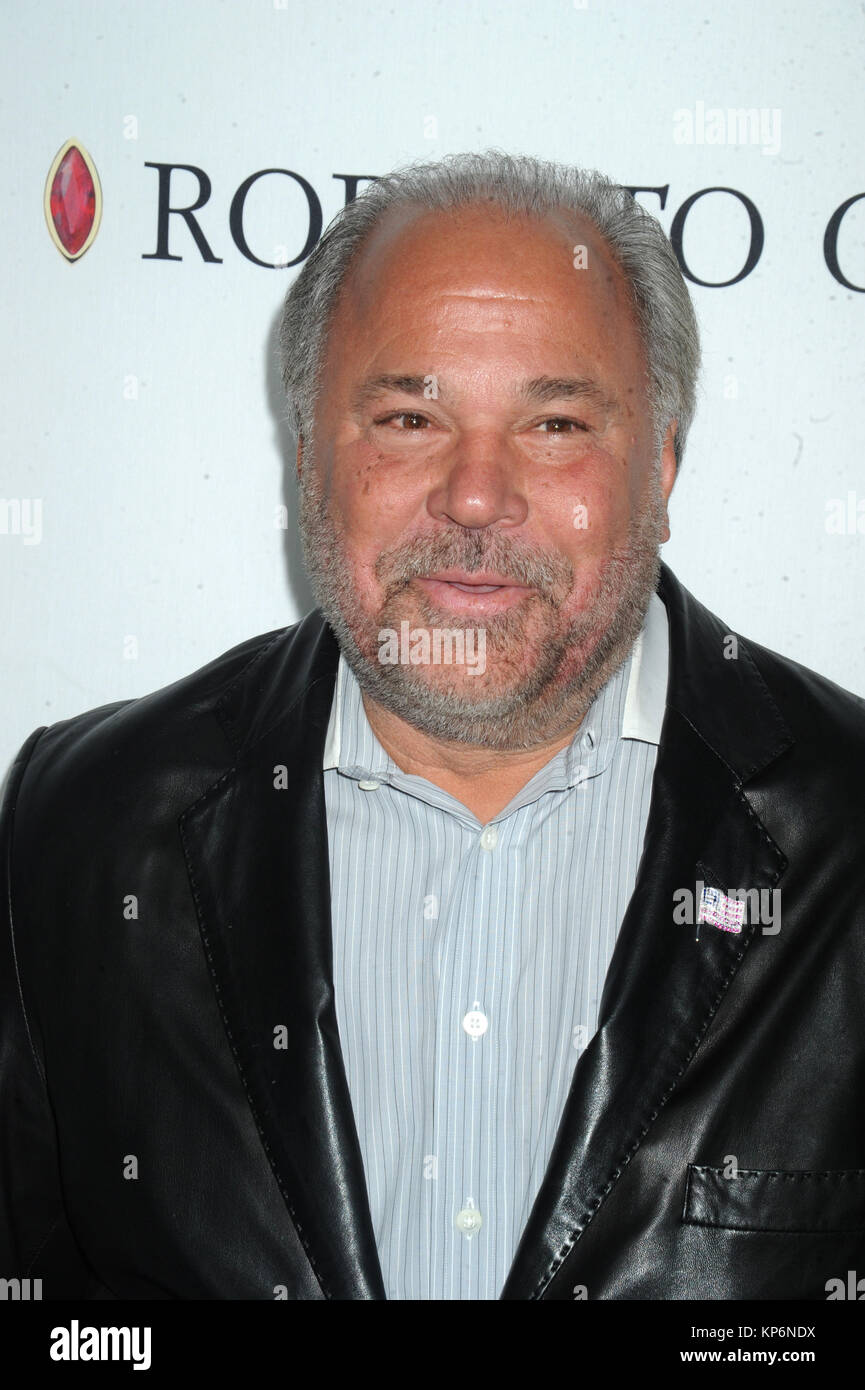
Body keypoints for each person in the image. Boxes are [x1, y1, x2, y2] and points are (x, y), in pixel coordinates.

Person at [1, 151, 863, 1302]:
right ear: (307, 454)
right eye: (408, 415)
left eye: (555, 422)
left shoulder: (848, 833)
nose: (473, 494)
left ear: (659, 464)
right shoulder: (82, 822)